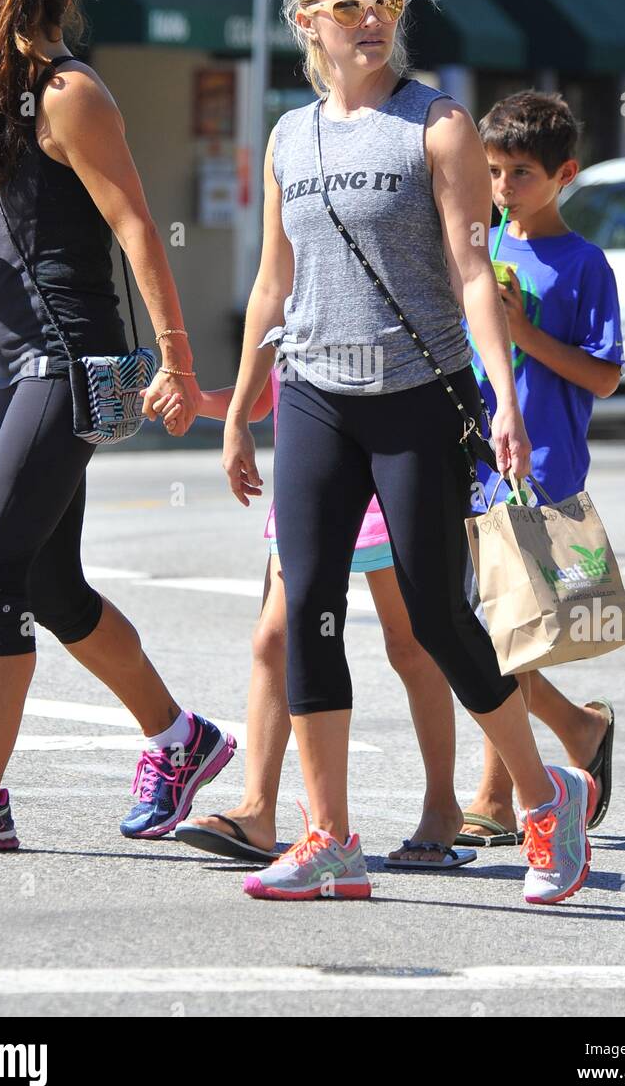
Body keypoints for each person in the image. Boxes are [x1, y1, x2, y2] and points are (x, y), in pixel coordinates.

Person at [220, 0, 597, 904]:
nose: (373, 18)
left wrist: (504, 399)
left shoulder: (436, 127)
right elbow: (272, 282)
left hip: (417, 394)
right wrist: (236, 407)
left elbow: (474, 272)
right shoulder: (287, 137)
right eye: (350, 4)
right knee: (306, 605)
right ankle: (327, 836)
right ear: (308, 22)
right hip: (309, 390)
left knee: (436, 613)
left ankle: (538, 791)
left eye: (386, 1)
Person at [0, 0, 235, 853]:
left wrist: (176, 360)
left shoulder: (70, 94)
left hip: (72, 362)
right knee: (53, 584)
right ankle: (181, 737)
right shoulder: (2, 102)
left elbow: (134, 226)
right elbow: (3, 235)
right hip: (28, 367)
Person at [176, 364, 471, 869]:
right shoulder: (285, 287)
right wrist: (213, 406)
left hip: (383, 461)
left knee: (409, 644)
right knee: (274, 638)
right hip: (312, 461)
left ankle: (441, 808)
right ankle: (257, 812)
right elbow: (270, 375)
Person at [457, 90, 623, 846]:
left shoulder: (583, 263)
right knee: (480, 626)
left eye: (521, 172)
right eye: (493, 170)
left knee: (509, 631)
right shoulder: (479, 249)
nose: (502, 187)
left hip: (543, 459)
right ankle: (577, 730)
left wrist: (522, 330)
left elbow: (604, 376)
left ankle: (494, 798)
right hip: (471, 454)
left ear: (565, 174)